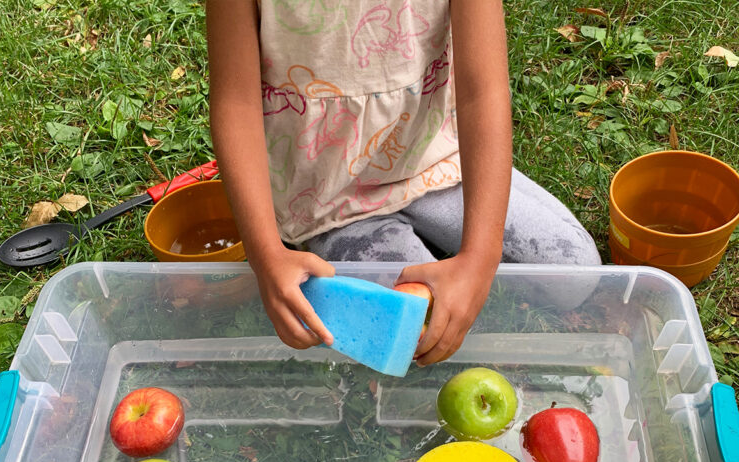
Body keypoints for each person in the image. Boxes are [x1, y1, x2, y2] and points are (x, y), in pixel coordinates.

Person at [206, 0, 600, 366]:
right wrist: (266, 255)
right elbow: (235, 103)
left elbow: (483, 90)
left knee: (575, 274)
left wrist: (481, 257)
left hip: (434, 159)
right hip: (329, 198)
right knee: (414, 336)